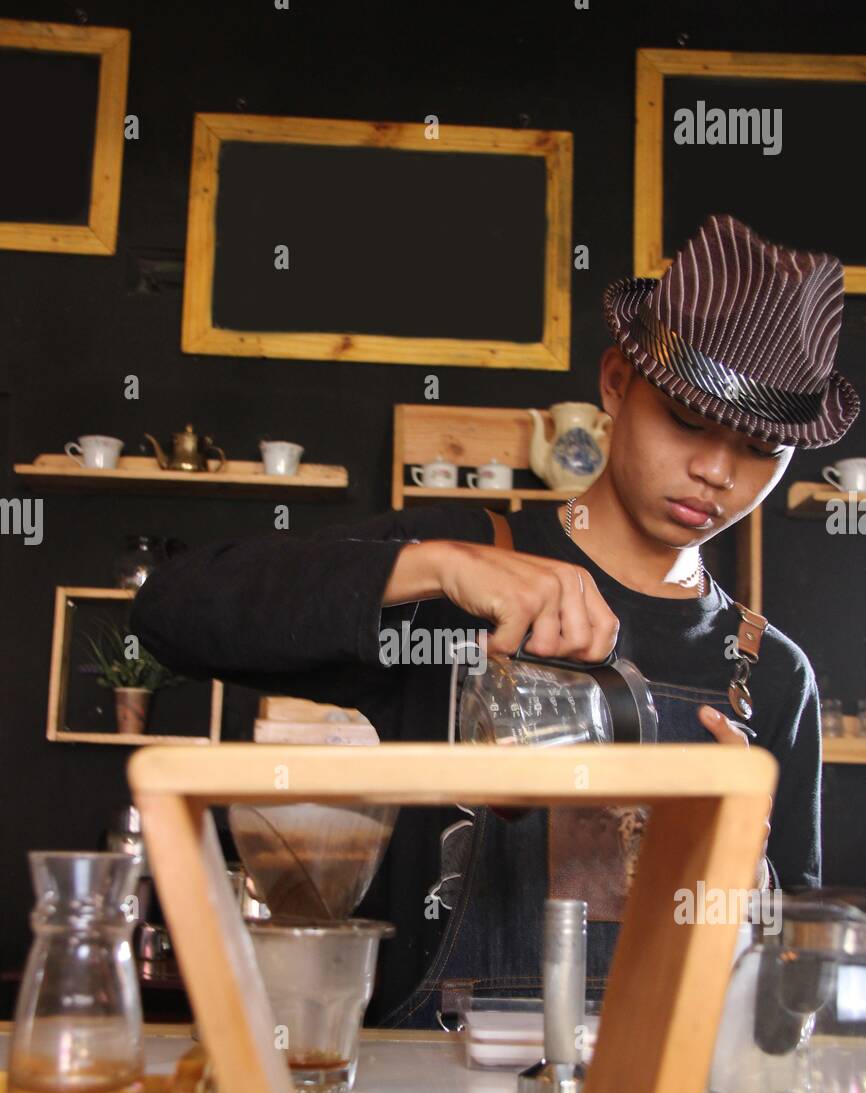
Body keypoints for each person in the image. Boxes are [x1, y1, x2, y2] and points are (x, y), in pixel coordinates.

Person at [131, 213, 860, 1028]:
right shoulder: (467, 569)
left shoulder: (771, 673)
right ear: (616, 382)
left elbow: (792, 995)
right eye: (688, 420)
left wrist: (747, 862)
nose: (716, 471)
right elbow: (170, 615)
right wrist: (436, 562)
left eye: (761, 447)